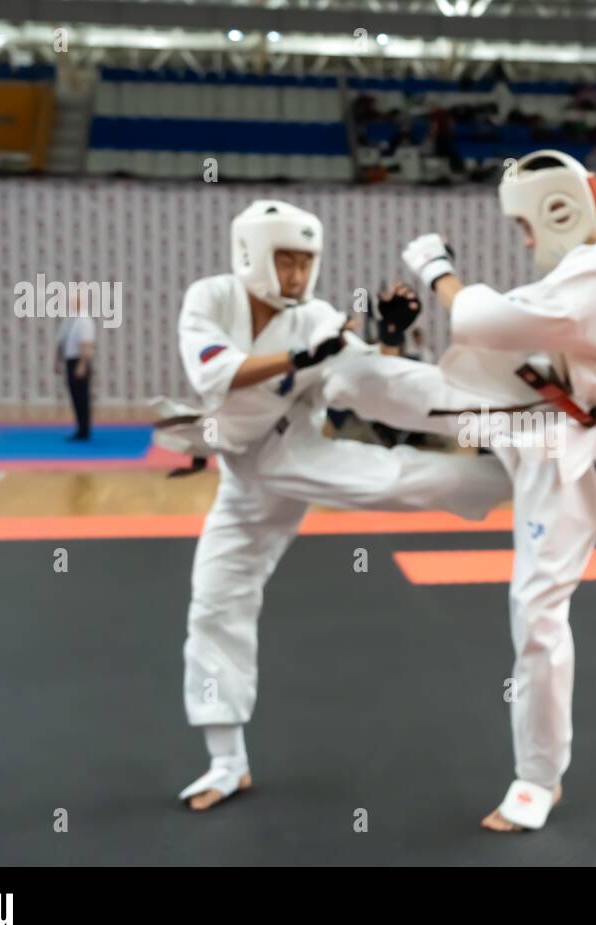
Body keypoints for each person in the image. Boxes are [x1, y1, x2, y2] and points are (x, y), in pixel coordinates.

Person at [321, 149, 596, 831]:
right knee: (397, 387)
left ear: (559, 210)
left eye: (528, 226)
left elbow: (481, 319)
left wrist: (439, 269)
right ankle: (320, 383)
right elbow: (504, 332)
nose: (528, 241)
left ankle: (539, 778)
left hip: (571, 446)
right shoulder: (586, 268)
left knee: (536, 609)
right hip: (536, 411)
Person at [173, 200, 511, 812]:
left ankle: (512, 442)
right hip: (247, 473)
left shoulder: (316, 317)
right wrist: (307, 357)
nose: (298, 274)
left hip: (299, 444)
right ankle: (226, 763)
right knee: (215, 601)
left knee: (392, 457)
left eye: (306, 260)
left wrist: (389, 336)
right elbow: (214, 377)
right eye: (286, 259)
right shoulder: (210, 298)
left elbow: (365, 382)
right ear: (251, 253)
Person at [55, 292, 96, 441]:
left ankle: (84, 430)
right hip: (69, 361)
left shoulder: (85, 321)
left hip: (79, 361)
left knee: (82, 397)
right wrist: (57, 361)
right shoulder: (69, 320)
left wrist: (83, 364)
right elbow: (61, 342)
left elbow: (87, 344)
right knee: (75, 396)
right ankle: (79, 427)